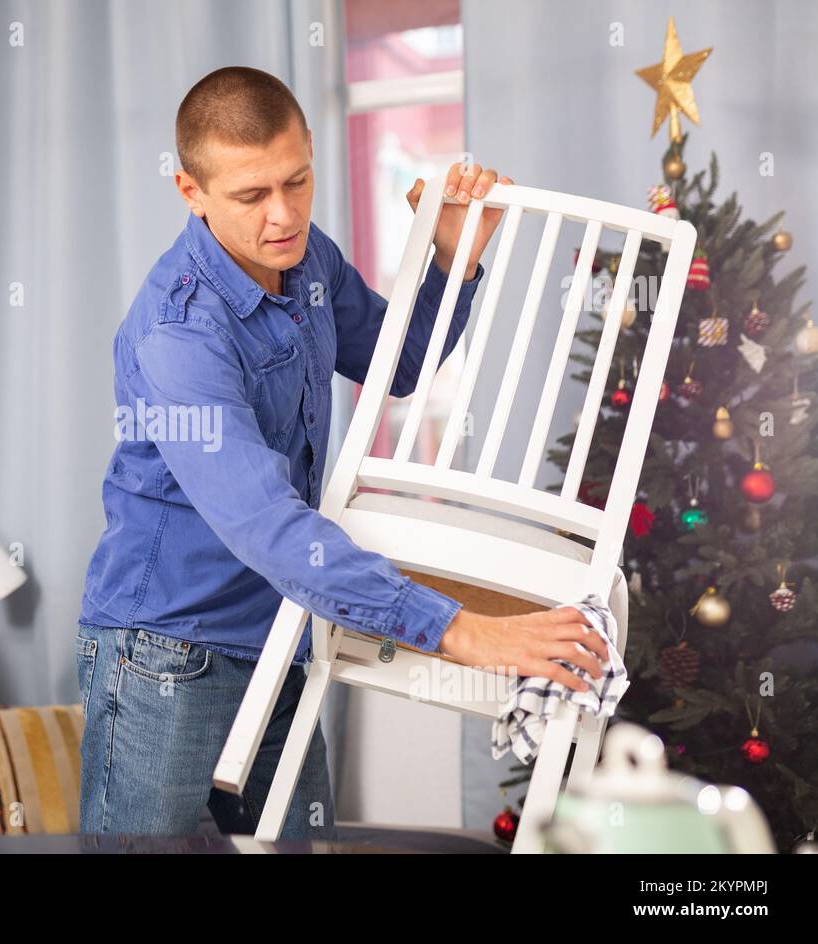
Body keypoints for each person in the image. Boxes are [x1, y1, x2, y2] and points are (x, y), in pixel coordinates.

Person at [76, 66, 608, 840]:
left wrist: (451, 261)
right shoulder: (179, 334)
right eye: (251, 196)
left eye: (297, 181)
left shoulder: (306, 258)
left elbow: (401, 364)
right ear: (191, 191)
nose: (283, 215)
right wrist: (465, 630)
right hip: (164, 654)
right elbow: (269, 525)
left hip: (283, 628)